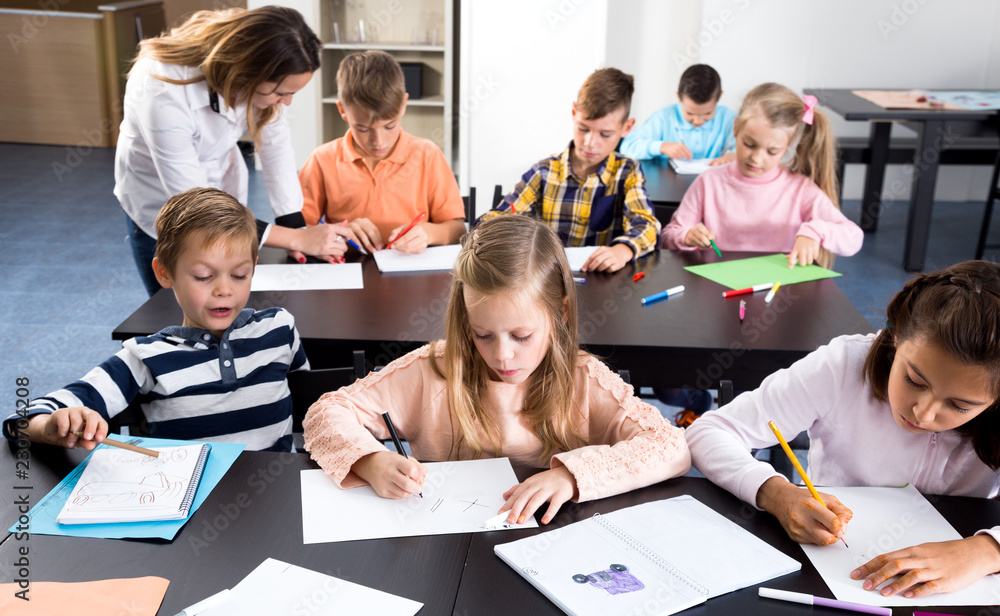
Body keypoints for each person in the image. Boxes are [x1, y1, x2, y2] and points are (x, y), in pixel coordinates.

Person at [303, 216, 689, 524]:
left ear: (562, 313)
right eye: (482, 334)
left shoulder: (583, 379)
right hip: (445, 548)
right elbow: (325, 412)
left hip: (553, 547)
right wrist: (371, 460)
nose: (503, 356)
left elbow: (670, 446)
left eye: (522, 335)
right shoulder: (434, 368)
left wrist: (571, 476)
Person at [686, 260, 1000, 599]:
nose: (923, 413)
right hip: (829, 573)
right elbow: (710, 430)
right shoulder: (843, 366)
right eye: (914, 380)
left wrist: (986, 551)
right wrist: (775, 492)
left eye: (959, 406)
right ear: (895, 336)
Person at [4, 188, 309, 452]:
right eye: (204, 276)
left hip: (277, 502)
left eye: (239, 274)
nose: (225, 290)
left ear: (254, 267)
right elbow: (19, 422)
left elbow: (315, 407)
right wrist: (49, 426)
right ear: (165, 272)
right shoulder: (144, 358)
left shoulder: (280, 330)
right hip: (190, 510)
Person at [116, 6, 348, 297]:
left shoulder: (259, 80)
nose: (286, 102)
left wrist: (296, 228)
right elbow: (197, 207)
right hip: (161, 205)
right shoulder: (161, 88)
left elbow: (276, 146)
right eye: (280, 93)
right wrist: (298, 239)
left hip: (219, 188)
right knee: (179, 318)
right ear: (249, 70)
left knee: (225, 305)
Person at [662, 82, 863, 270]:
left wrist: (816, 231)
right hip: (718, 289)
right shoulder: (709, 182)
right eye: (749, 144)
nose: (756, 159)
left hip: (779, 292)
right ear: (736, 128)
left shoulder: (801, 190)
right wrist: (686, 236)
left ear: (788, 146)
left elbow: (853, 238)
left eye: (772, 151)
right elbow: (668, 236)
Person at [477, 68, 660, 273]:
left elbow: (647, 225)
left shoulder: (628, 171)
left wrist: (623, 249)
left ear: (626, 128)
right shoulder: (543, 172)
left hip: (599, 284)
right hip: (548, 283)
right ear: (574, 113)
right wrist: (484, 230)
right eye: (583, 129)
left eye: (605, 134)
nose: (590, 143)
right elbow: (502, 215)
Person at [299, 50, 465, 254]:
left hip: (412, 273)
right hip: (348, 271)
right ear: (342, 110)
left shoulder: (428, 155)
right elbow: (298, 232)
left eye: (389, 126)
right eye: (362, 128)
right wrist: (338, 232)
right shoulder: (322, 159)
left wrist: (428, 233)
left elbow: (457, 230)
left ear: (403, 105)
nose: (378, 141)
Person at [620, 64, 736, 165]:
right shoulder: (663, 118)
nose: (698, 121)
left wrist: (734, 155)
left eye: (708, 113)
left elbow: (744, 148)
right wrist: (661, 147)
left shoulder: (729, 119)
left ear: (719, 96)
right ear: (678, 97)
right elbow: (628, 147)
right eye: (689, 113)